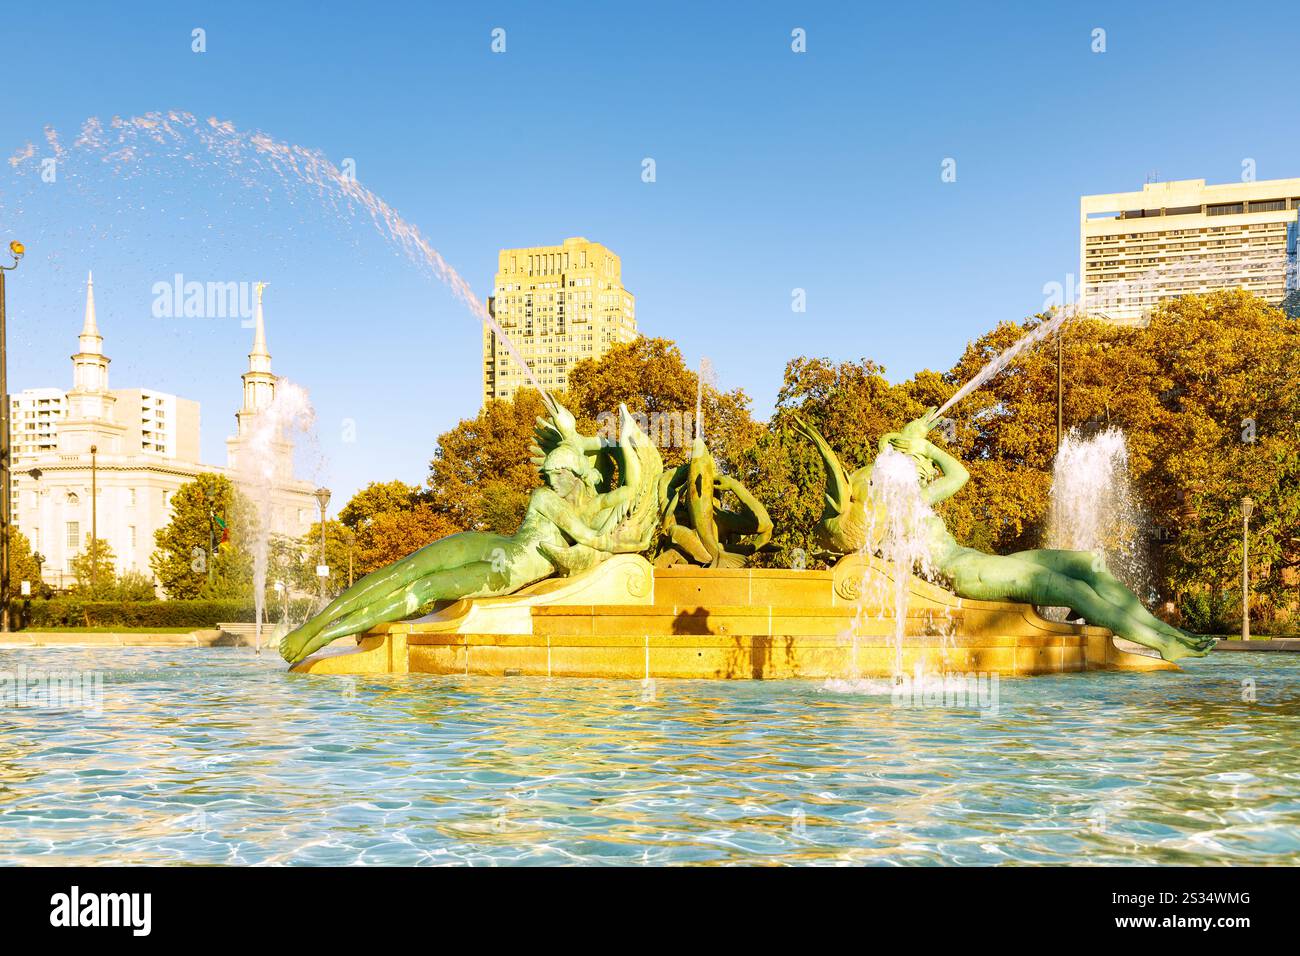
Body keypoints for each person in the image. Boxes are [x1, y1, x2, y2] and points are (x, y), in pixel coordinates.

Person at [800, 409, 1215, 662]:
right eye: (917, 464)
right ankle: (1161, 644)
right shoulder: (890, 505)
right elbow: (950, 475)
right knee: (1072, 589)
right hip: (967, 575)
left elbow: (953, 472)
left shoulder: (915, 498)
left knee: (1087, 563)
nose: (924, 471)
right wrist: (907, 447)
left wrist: (921, 445)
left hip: (976, 559)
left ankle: (1168, 632)